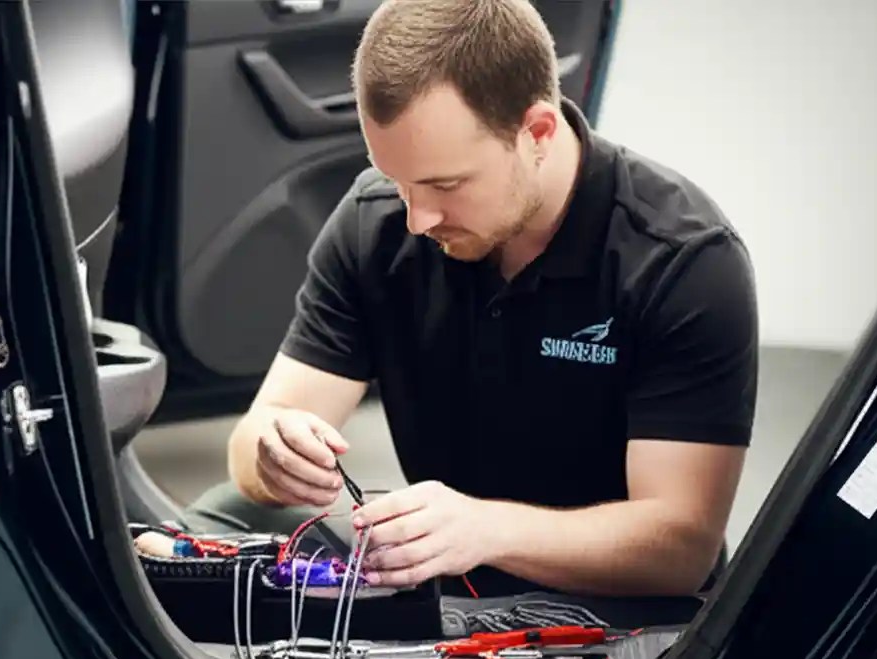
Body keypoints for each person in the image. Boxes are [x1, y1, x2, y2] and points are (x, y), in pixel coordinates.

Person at [182, 0, 758, 599]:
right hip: (438, 567)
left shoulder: (683, 262)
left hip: (608, 600)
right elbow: (249, 449)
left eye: (444, 184)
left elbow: (680, 548)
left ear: (537, 132)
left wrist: (488, 530)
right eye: (398, 180)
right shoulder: (373, 224)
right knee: (220, 518)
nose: (416, 218)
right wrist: (275, 455)